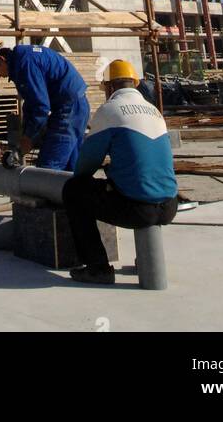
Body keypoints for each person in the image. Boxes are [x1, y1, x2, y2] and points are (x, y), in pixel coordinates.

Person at [62, 58, 178, 285]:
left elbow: (85, 166)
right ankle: (146, 259)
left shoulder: (110, 111)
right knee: (134, 185)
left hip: (137, 209)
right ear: (134, 83)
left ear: (110, 87)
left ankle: (98, 268)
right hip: (169, 206)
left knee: (74, 191)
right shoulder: (154, 111)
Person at [0, 38, 90, 172]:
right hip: (74, 106)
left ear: (1, 59)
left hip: (69, 110)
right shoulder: (22, 61)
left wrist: (28, 138)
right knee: (72, 168)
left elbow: (40, 107)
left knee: (48, 168)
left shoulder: (25, 64)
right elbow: (31, 103)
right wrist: (25, 134)